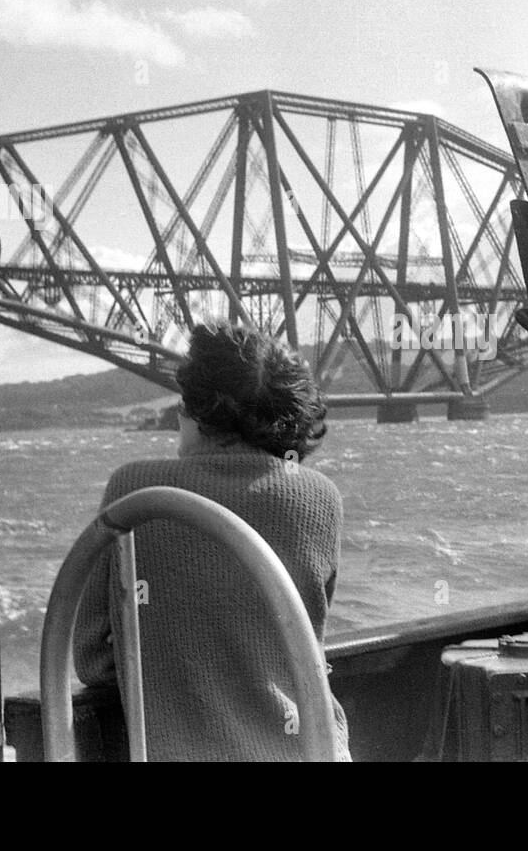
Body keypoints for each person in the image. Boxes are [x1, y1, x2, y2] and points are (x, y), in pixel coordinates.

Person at [74, 323, 351, 761]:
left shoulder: (136, 493)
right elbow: (306, 633)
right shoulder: (319, 497)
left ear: (197, 413)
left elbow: (93, 660)